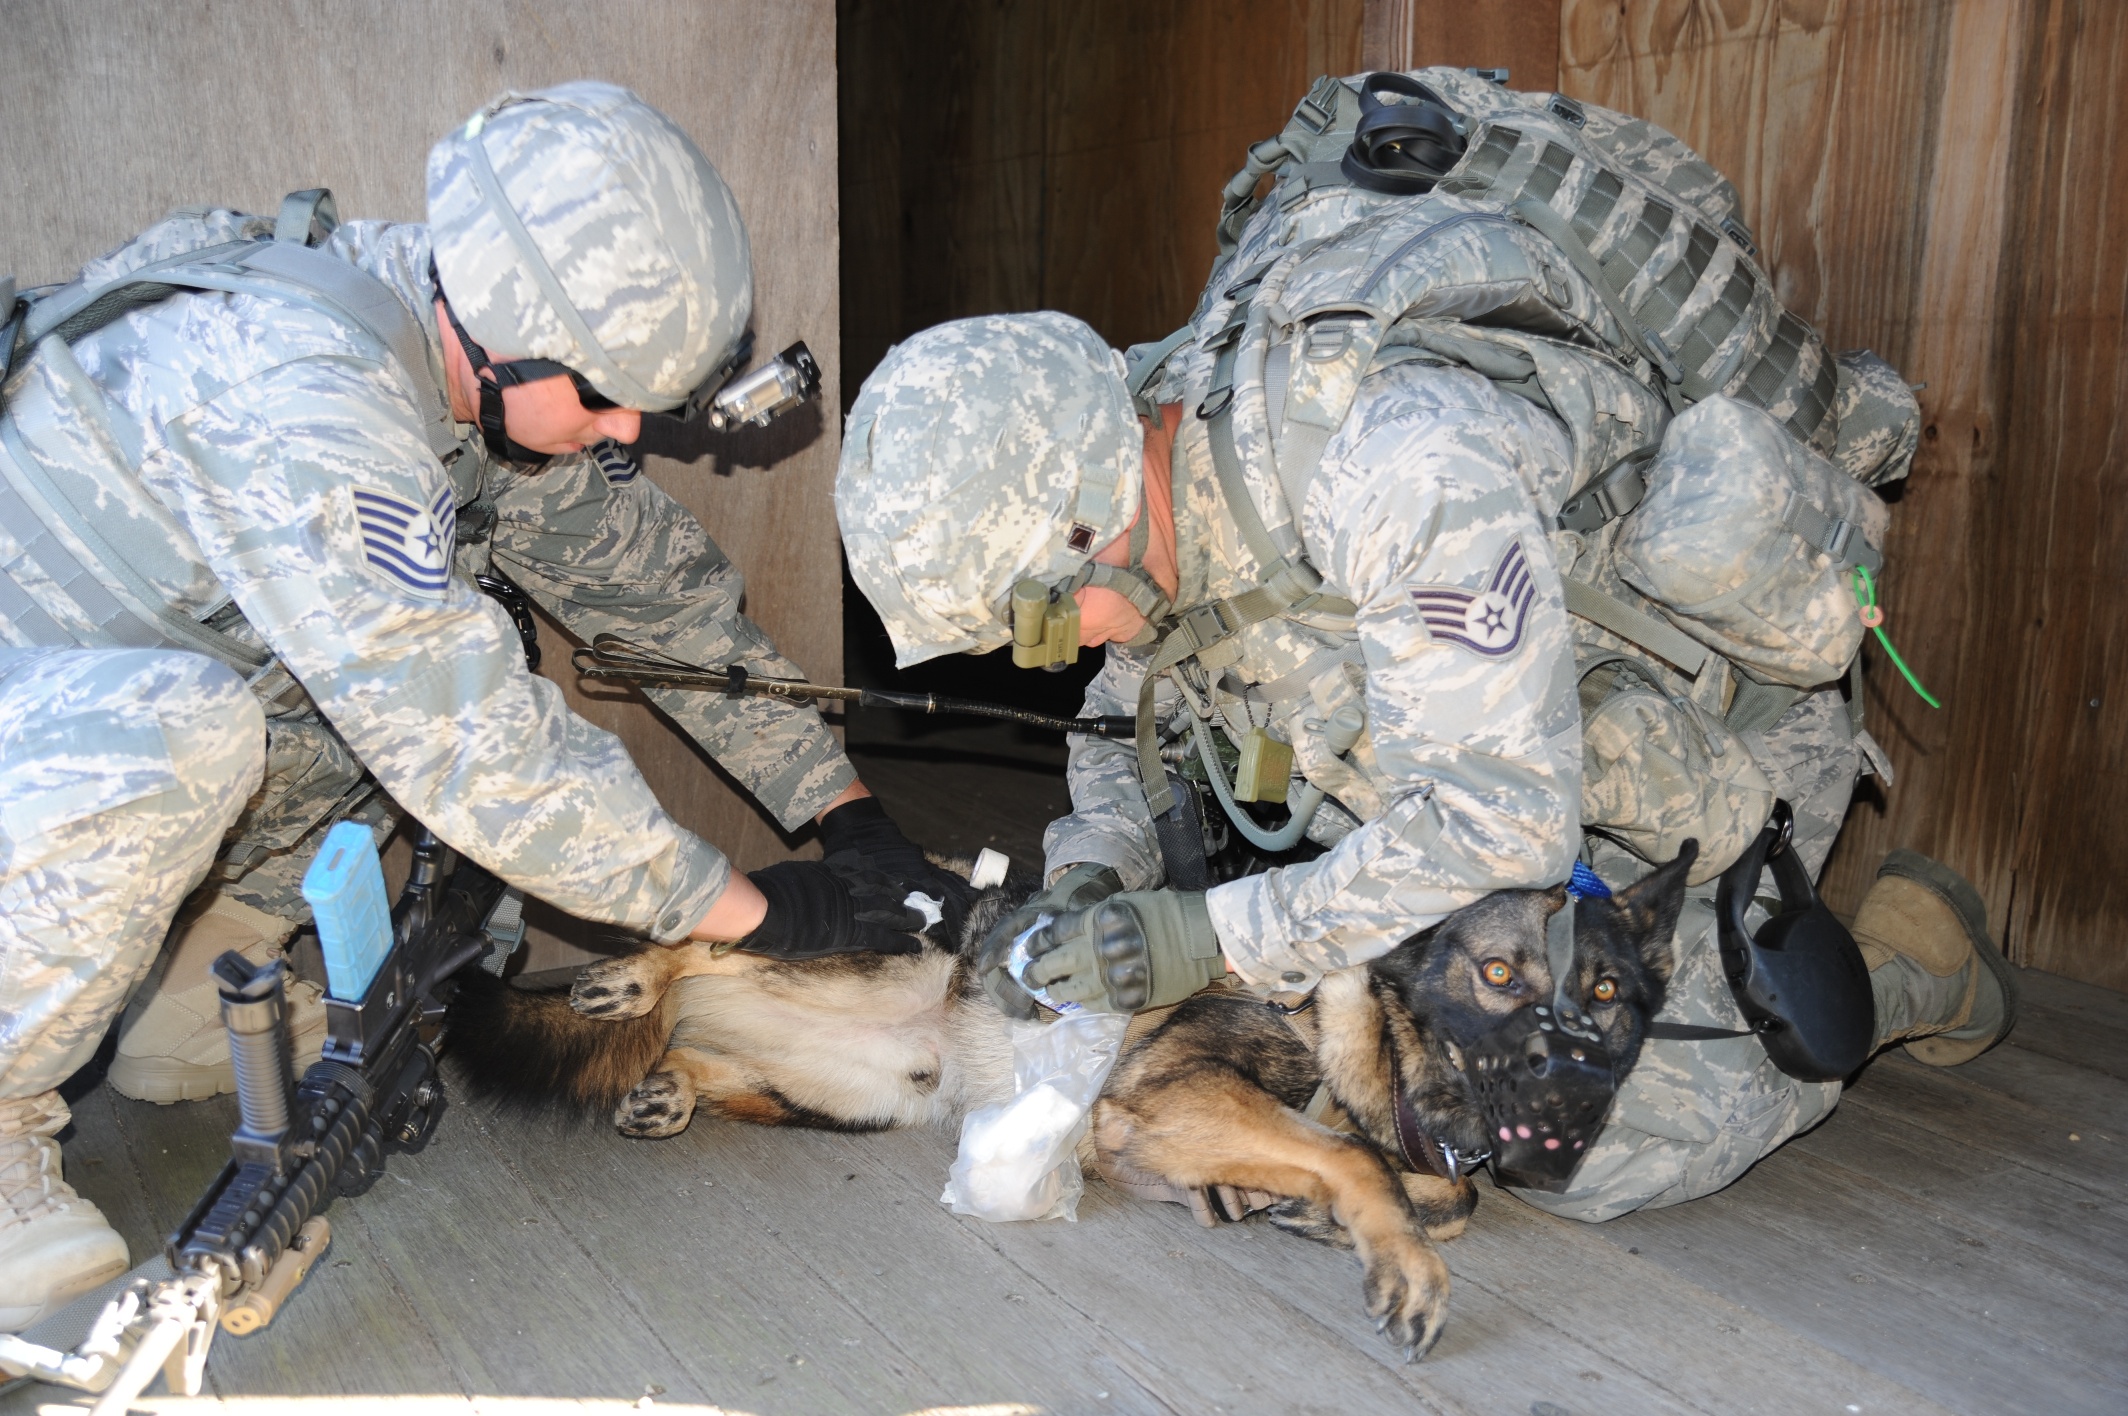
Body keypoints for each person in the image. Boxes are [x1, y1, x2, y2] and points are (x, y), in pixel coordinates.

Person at [0, 81, 944, 1329]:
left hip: (69, 746)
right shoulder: (299, 394)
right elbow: (458, 735)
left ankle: (194, 977)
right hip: (63, 730)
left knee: (415, 652)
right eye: (604, 398)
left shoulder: (492, 389)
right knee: (251, 715)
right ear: (503, 326)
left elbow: (667, 617)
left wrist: (847, 817)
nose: (619, 430)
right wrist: (757, 913)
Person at [834, 260, 2014, 1221]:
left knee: (1590, 1153)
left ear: (1091, 515)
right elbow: (1121, 711)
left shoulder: (1399, 471)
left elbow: (1502, 822)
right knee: (1433, 1103)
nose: (1041, 652)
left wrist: (1202, 934)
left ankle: (1916, 960)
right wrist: (1099, 865)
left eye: (1036, 616)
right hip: (1449, 798)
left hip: (1691, 758)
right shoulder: (1161, 484)